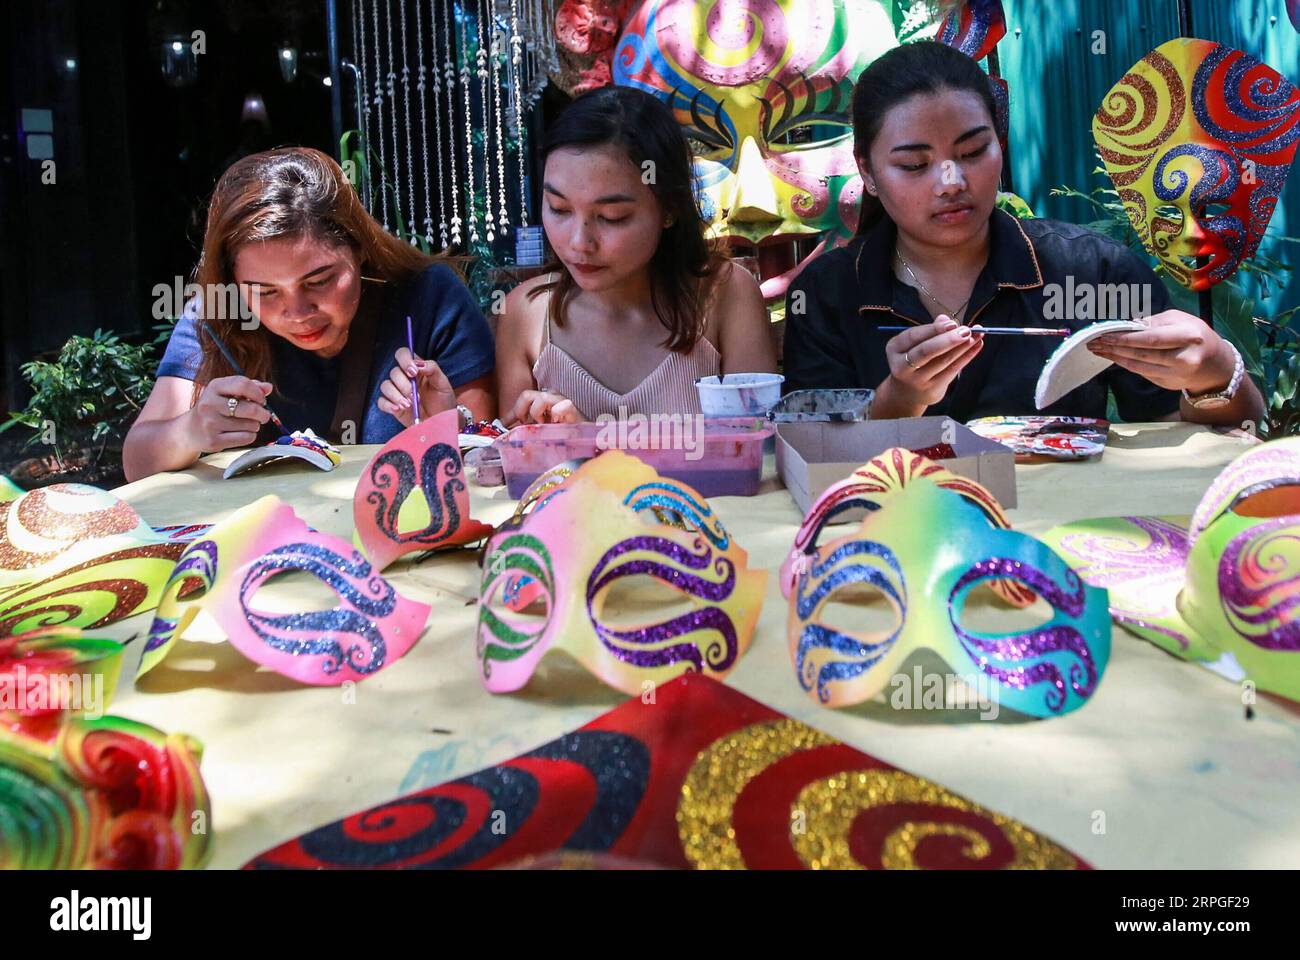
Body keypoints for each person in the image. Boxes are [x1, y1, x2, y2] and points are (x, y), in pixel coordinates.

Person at [783, 41, 1265, 427]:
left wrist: (1217, 373)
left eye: (973, 152)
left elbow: (1186, 433)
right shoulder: (827, 294)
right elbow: (808, 458)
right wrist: (897, 401)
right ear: (867, 171)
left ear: (1001, 143)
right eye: (915, 164)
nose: (952, 182)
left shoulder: (1091, 272)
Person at [124, 148, 495, 481]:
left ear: (360, 248)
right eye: (265, 291)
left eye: (319, 281)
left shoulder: (429, 296)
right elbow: (137, 461)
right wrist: (190, 430)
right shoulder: (217, 314)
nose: (297, 312)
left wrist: (444, 425)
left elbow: (485, 458)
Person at [495, 86, 776, 425]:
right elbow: (516, 468)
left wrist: (596, 445)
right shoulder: (524, 313)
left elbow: (756, 458)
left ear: (669, 208)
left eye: (612, 217)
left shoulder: (728, 295)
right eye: (559, 209)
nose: (579, 241)